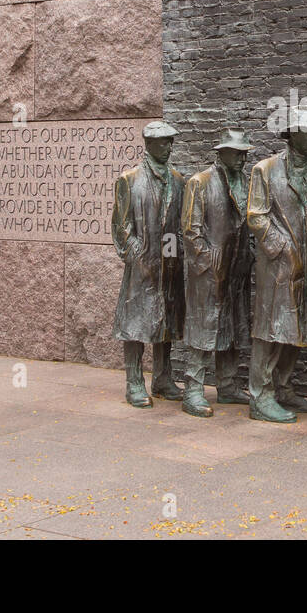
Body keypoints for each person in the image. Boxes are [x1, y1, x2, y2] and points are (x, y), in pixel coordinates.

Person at [245, 106, 307, 423]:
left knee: (297, 329)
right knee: (270, 330)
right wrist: (283, 247)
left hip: (303, 265)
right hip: (277, 266)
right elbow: (256, 215)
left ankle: (284, 386)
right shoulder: (265, 170)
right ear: (293, 135)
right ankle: (260, 397)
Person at [180, 128, 255, 417]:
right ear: (221, 152)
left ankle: (228, 385)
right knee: (204, 328)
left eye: (244, 153)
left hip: (237, 267)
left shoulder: (246, 182)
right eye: (236, 153)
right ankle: (193, 389)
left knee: (233, 326)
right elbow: (190, 230)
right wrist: (207, 262)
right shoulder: (200, 182)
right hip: (209, 271)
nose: (242, 157)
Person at [112, 120, 186, 407]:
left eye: (171, 142)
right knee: (135, 324)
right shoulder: (129, 180)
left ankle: (163, 378)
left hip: (169, 264)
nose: (169, 147)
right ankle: (133, 381)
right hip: (142, 266)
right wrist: (137, 255)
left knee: (165, 319)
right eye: (163, 143)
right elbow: (121, 226)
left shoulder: (178, 181)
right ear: (150, 144)